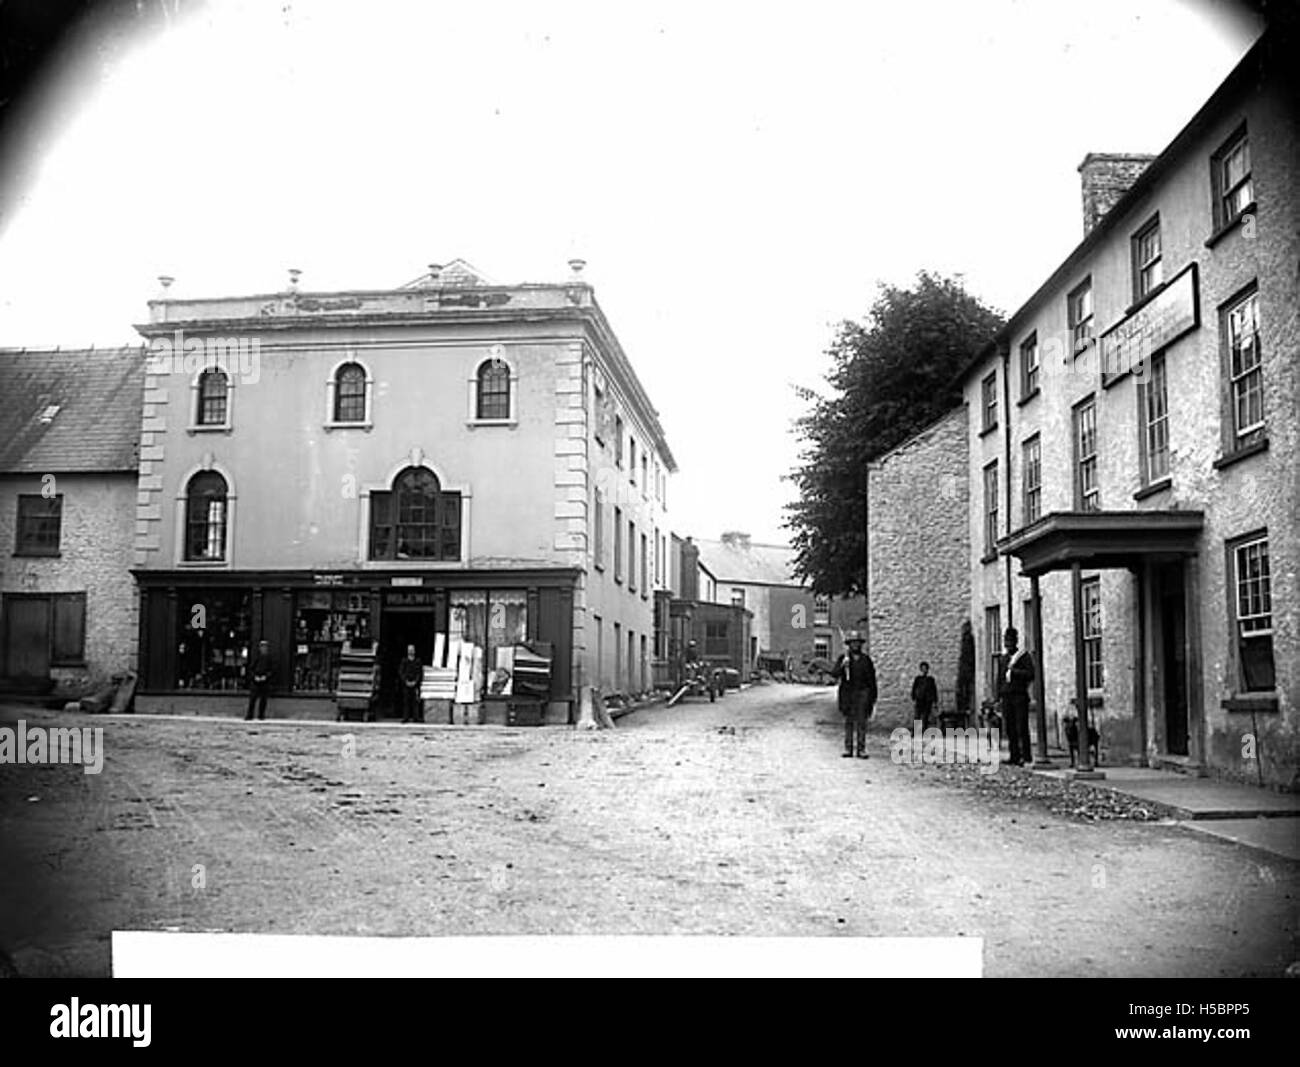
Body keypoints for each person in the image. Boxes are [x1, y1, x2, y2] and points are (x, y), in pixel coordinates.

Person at [831, 631, 877, 758]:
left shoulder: (866, 660)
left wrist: (872, 698)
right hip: (848, 694)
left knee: (862, 722)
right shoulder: (844, 658)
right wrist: (842, 666)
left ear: (860, 644)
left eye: (857, 643)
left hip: (862, 693)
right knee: (849, 722)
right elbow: (834, 674)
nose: (855, 645)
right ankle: (848, 748)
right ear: (849, 645)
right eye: (852, 643)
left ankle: (861, 749)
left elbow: (872, 680)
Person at [998, 627, 1035, 766]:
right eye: (1006, 641)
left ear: (1016, 641)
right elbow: (1000, 678)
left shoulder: (1023, 657)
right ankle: (1014, 755)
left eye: (1010, 641)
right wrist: (999, 696)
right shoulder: (1004, 658)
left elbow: (1031, 674)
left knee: (1022, 727)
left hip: (1019, 695)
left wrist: (1016, 672)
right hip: (1007, 696)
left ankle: (1026, 756)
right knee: (1010, 728)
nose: (1008, 644)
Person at [245, 640, 273, 721]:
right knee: (253, 698)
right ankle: (250, 715)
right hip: (255, 680)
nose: (263, 649)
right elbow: (251, 668)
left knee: (263, 699)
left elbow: (272, 670)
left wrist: (266, 676)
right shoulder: (256, 657)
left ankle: (261, 715)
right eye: (262, 647)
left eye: (265, 647)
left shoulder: (270, 658)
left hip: (265, 680)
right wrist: (254, 676)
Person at [398, 644, 424, 723]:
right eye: (409, 650)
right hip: (406, 683)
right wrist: (406, 681)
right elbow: (401, 672)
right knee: (406, 701)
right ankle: (405, 717)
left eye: (412, 649)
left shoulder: (418, 661)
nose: (411, 651)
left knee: (415, 701)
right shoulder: (404, 661)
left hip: (415, 684)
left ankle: (416, 717)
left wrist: (415, 682)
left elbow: (420, 673)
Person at [911, 661, 939, 732]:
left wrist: (935, 700)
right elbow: (914, 688)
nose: (924, 670)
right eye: (923, 668)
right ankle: (916, 731)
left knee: (925, 716)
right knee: (917, 716)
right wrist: (913, 697)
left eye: (925, 668)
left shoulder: (930, 679)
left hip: (927, 701)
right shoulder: (918, 679)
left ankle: (924, 731)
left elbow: (934, 689)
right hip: (919, 700)